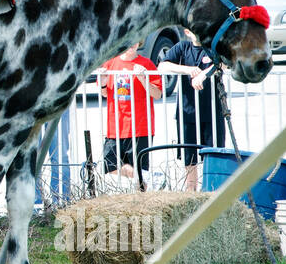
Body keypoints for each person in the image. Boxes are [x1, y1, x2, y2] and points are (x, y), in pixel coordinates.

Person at [157, 29, 226, 191]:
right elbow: (162, 65)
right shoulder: (182, 47)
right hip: (187, 112)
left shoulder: (213, 47)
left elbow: (221, 63)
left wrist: (204, 75)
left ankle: (212, 191)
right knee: (189, 158)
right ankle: (191, 192)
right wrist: (187, 69)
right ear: (188, 32)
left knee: (214, 154)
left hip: (213, 112)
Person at [97, 42, 162, 190]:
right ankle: (150, 178)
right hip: (116, 126)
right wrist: (102, 84)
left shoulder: (146, 64)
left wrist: (143, 78)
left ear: (139, 43)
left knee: (140, 173)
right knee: (109, 166)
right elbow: (105, 93)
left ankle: (144, 197)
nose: (130, 45)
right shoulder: (111, 62)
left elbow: (157, 94)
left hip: (140, 127)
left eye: (135, 41)